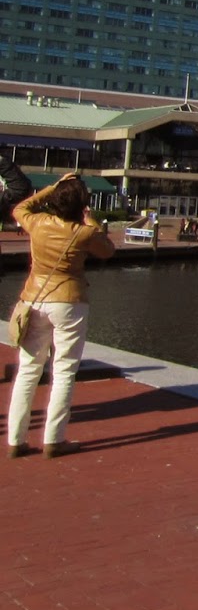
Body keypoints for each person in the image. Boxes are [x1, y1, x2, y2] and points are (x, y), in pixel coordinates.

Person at [6, 172, 115, 458]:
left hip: (35, 297)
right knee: (64, 370)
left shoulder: (38, 223)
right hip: (69, 300)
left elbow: (20, 208)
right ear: (81, 205)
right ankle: (54, 439)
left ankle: (16, 441)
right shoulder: (83, 232)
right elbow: (107, 251)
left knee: (28, 370)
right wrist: (88, 219)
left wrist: (53, 187)